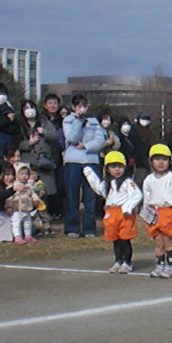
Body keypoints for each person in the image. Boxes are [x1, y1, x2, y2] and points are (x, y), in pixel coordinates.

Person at [83, 151, 142, 273]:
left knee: (125, 238)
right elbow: (98, 189)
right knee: (115, 239)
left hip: (124, 213)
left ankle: (127, 262)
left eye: (120, 167)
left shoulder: (127, 182)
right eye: (113, 167)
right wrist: (89, 174)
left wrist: (127, 207)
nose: (117, 170)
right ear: (107, 169)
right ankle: (118, 260)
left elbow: (137, 194)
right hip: (111, 212)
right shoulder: (106, 184)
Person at [62, 96, 106, 238]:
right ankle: (72, 227)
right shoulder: (68, 120)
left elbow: (100, 141)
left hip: (91, 160)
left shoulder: (94, 122)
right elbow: (71, 138)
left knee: (90, 196)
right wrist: (79, 121)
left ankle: (89, 228)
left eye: (84, 106)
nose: (82, 108)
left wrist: (86, 146)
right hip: (73, 160)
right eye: (79, 106)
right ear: (73, 107)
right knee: (72, 195)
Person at [141, 143, 172, 278]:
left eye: (164, 159)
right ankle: (160, 264)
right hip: (154, 212)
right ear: (151, 162)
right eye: (157, 159)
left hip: (167, 211)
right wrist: (146, 212)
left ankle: (170, 266)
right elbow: (146, 197)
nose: (160, 162)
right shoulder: (148, 180)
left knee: (167, 240)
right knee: (158, 241)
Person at [17, 99, 59, 210]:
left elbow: (55, 135)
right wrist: (29, 143)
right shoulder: (19, 125)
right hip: (28, 162)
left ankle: (45, 216)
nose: (29, 110)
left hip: (44, 161)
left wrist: (44, 132)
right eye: (26, 108)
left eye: (31, 107)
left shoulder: (44, 121)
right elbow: (16, 143)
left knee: (45, 190)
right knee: (29, 191)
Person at [7, 162, 41, 243]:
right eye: (21, 174)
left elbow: (33, 193)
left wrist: (36, 199)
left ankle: (28, 235)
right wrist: (9, 206)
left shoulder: (29, 186)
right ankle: (17, 236)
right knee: (16, 223)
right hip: (16, 208)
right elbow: (9, 197)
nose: (24, 176)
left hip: (27, 208)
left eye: (26, 174)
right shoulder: (14, 185)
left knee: (27, 223)